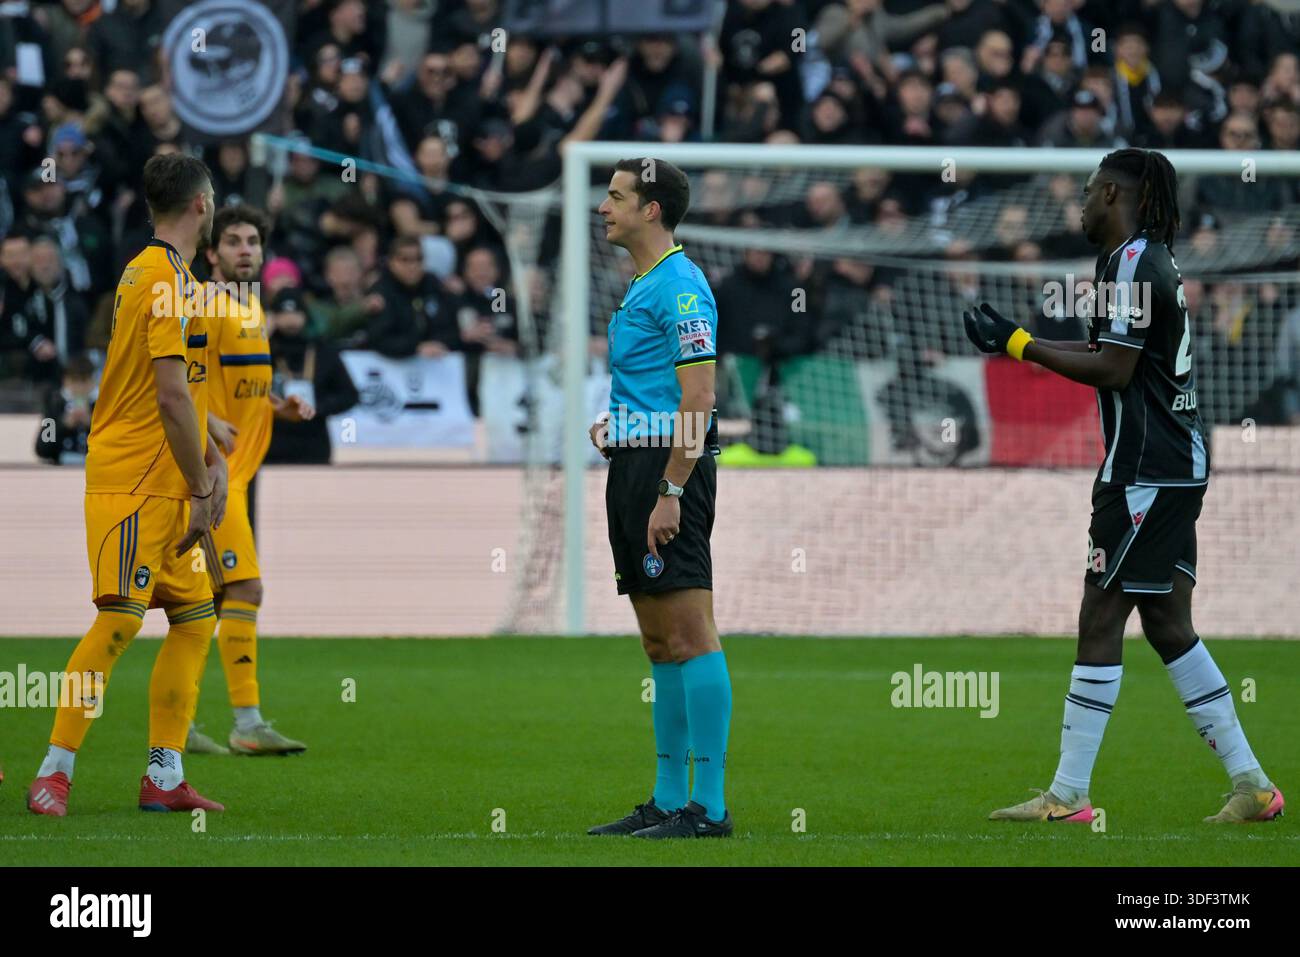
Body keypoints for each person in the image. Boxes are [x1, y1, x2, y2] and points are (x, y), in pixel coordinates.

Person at [964, 148, 1282, 825]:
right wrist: (1020, 342)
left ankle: (1068, 794)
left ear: (1111, 192)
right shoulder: (1128, 261)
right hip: (1166, 463)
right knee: (1167, 623)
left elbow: (1112, 370)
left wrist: (1022, 343)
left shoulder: (1136, 261)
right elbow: (1117, 359)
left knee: (1101, 612)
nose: (1078, 203)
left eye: (1086, 191)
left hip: (1148, 469)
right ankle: (1252, 785)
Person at [27, 153, 227, 816]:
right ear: (202, 203)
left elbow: (179, 390)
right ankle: (54, 771)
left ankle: (163, 776)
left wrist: (208, 444)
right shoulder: (162, 277)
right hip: (136, 478)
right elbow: (168, 394)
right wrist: (204, 487)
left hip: (169, 475)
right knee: (119, 617)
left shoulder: (169, 275)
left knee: (196, 620)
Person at [585, 158, 731, 839]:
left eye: (615, 196)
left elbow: (700, 398)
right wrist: (622, 426)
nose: (603, 206)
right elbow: (658, 392)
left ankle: (710, 806)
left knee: (692, 631)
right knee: (658, 639)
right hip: (635, 461)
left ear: (651, 208)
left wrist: (671, 488)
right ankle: (670, 796)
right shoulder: (645, 282)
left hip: (670, 472)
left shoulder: (680, 285)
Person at [186, 203, 312, 757]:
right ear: (211, 253)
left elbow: (234, 386)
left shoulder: (248, 308)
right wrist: (203, 419)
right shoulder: (205, 304)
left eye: (253, 241)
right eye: (233, 240)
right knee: (244, 589)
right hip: (212, 475)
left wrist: (275, 407)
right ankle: (247, 722)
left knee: (203, 600)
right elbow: (163, 370)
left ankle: (178, 722)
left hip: (236, 473)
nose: (245, 250)